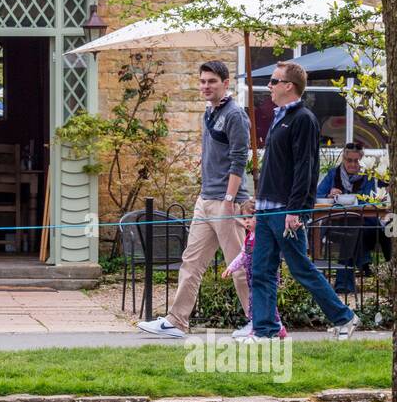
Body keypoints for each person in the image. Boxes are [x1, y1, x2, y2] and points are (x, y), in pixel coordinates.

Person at [138, 60, 252, 339]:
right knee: (191, 263)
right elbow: (217, 150)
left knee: (239, 265)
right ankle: (176, 322)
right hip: (206, 199)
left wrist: (229, 199)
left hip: (228, 203)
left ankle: (259, 321)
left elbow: (239, 160)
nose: (205, 86)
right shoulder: (209, 112)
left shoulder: (235, 115)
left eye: (212, 81)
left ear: (226, 83)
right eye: (202, 81)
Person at [248, 62, 359, 340]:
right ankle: (265, 330)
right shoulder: (279, 117)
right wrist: (258, 199)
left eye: (274, 81)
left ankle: (344, 317)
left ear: (289, 86)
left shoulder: (303, 118)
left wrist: (297, 210)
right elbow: (277, 166)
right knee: (261, 270)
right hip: (266, 209)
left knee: (300, 268)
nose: (269, 86)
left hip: (287, 211)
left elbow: (305, 167)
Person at [316, 141, 381, 292]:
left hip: (364, 224)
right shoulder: (333, 174)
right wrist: (329, 195)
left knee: (352, 231)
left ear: (361, 160)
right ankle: (363, 261)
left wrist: (355, 199)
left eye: (356, 160)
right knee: (350, 231)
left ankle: (343, 285)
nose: (352, 164)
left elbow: (370, 201)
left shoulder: (368, 177)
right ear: (343, 160)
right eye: (349, 160)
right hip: (337, 225)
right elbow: (318, 196)